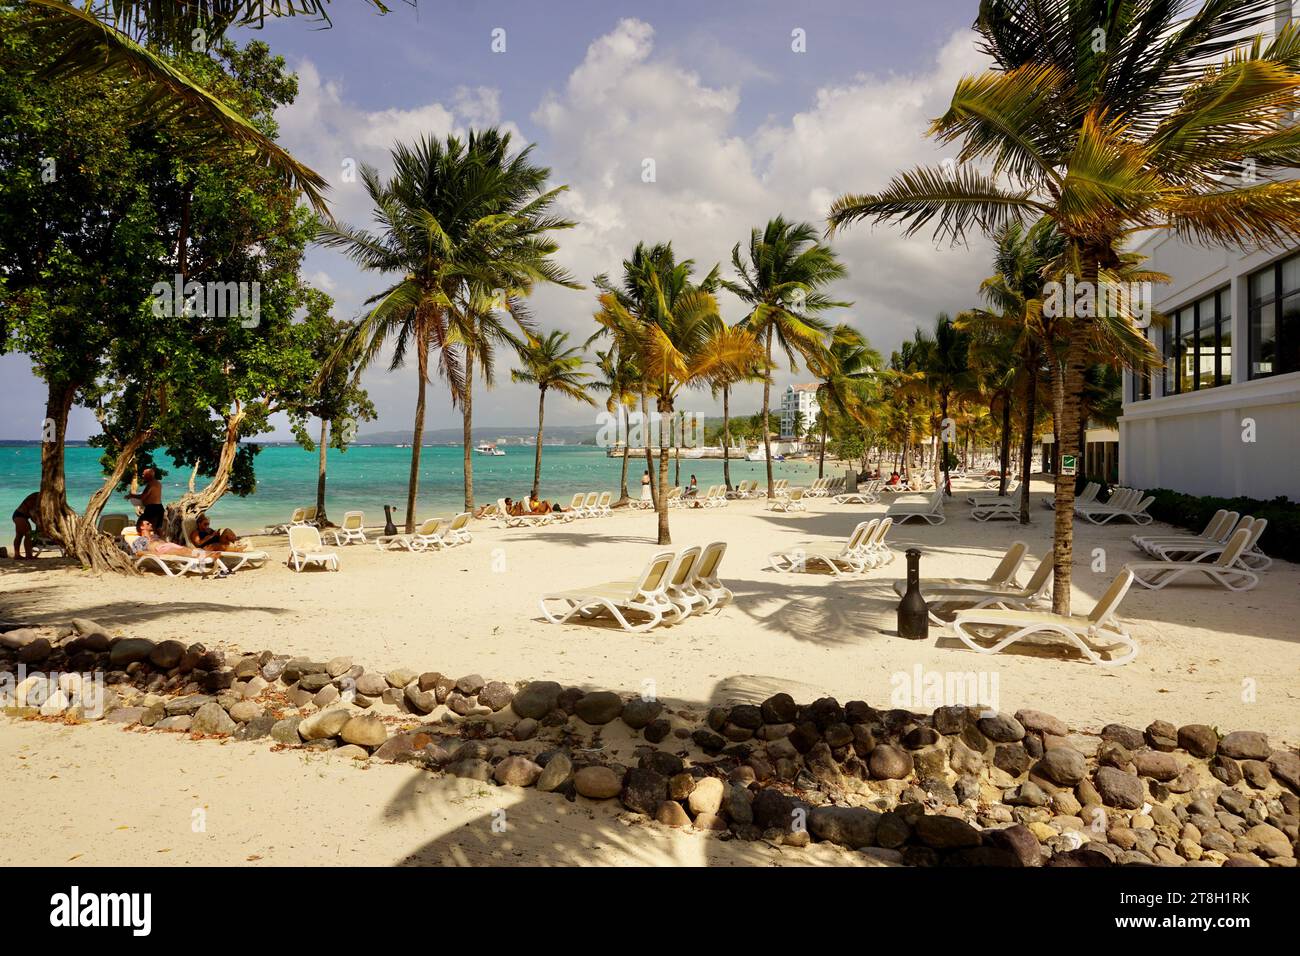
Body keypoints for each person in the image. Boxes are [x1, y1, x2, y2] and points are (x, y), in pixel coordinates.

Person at [11, 491, 40, 560]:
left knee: (19, 535)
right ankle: (29, 555)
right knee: (28, 535)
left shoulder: (38, 496)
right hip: (20, 515)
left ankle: (17, 555)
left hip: (19, 515)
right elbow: (32, 513)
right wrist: (38, 524)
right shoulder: (36, 496)